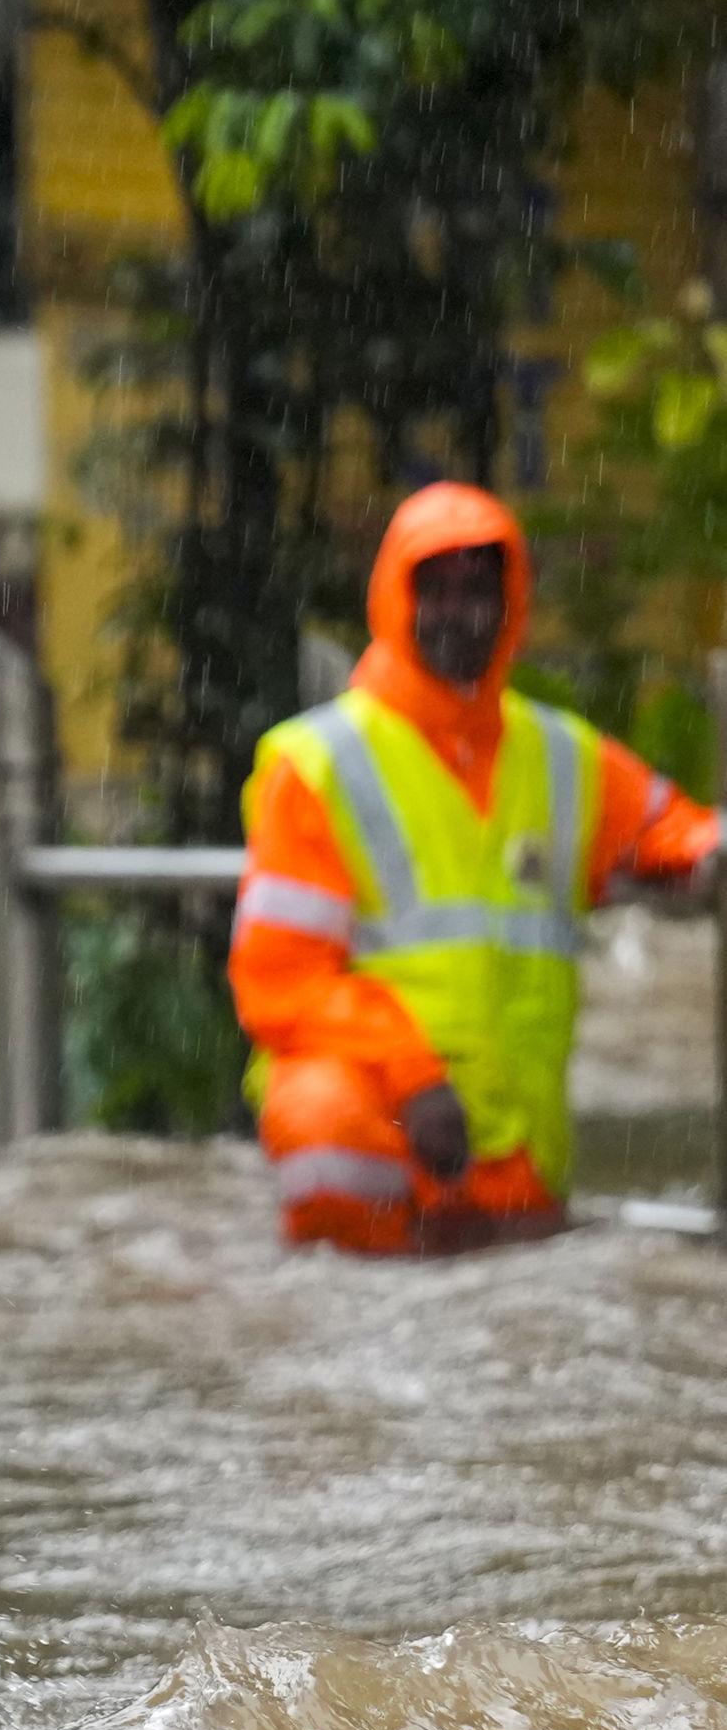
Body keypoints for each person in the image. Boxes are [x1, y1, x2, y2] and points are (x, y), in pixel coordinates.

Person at [233, 481, 722, 1255]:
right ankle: (358, 1282)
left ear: (512, 603)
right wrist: (416, 1079)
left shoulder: (558, 755)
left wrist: (703, 857)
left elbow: (674, 827)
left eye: (478, 590)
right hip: (392, 1127)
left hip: (518, 1166)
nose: (457, 612)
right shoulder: (320, 764)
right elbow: (280, 979)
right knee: (318, 1111)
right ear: (397, 599)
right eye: (435, 589)